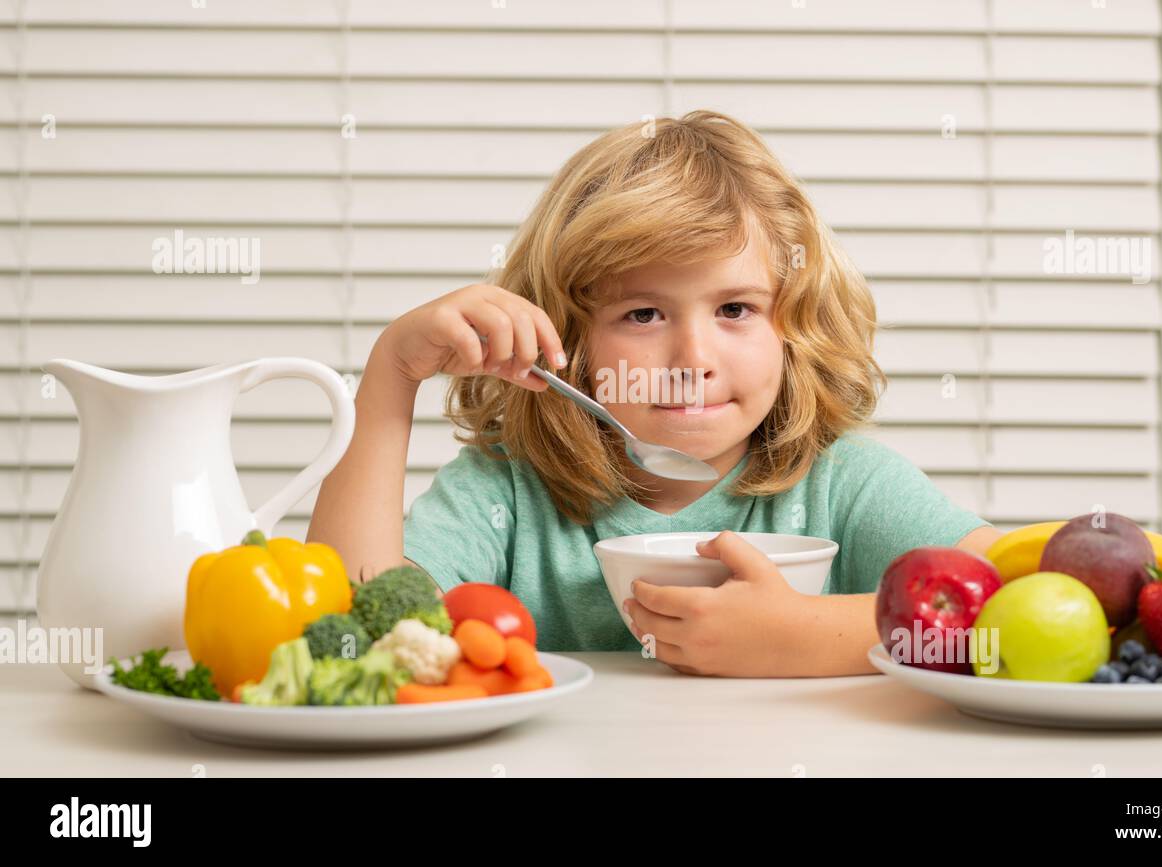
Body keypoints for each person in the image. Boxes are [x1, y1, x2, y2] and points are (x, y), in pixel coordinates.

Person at [308, 110, 1002, 677]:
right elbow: (353, 638)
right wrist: (389, 378)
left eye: (735, 309)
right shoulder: (506, 493)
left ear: (793, 328)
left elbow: (1014, 606)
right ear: (567, 342)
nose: (693, 359)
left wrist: (805, 636)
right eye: (643, 314)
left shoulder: (845, 486)